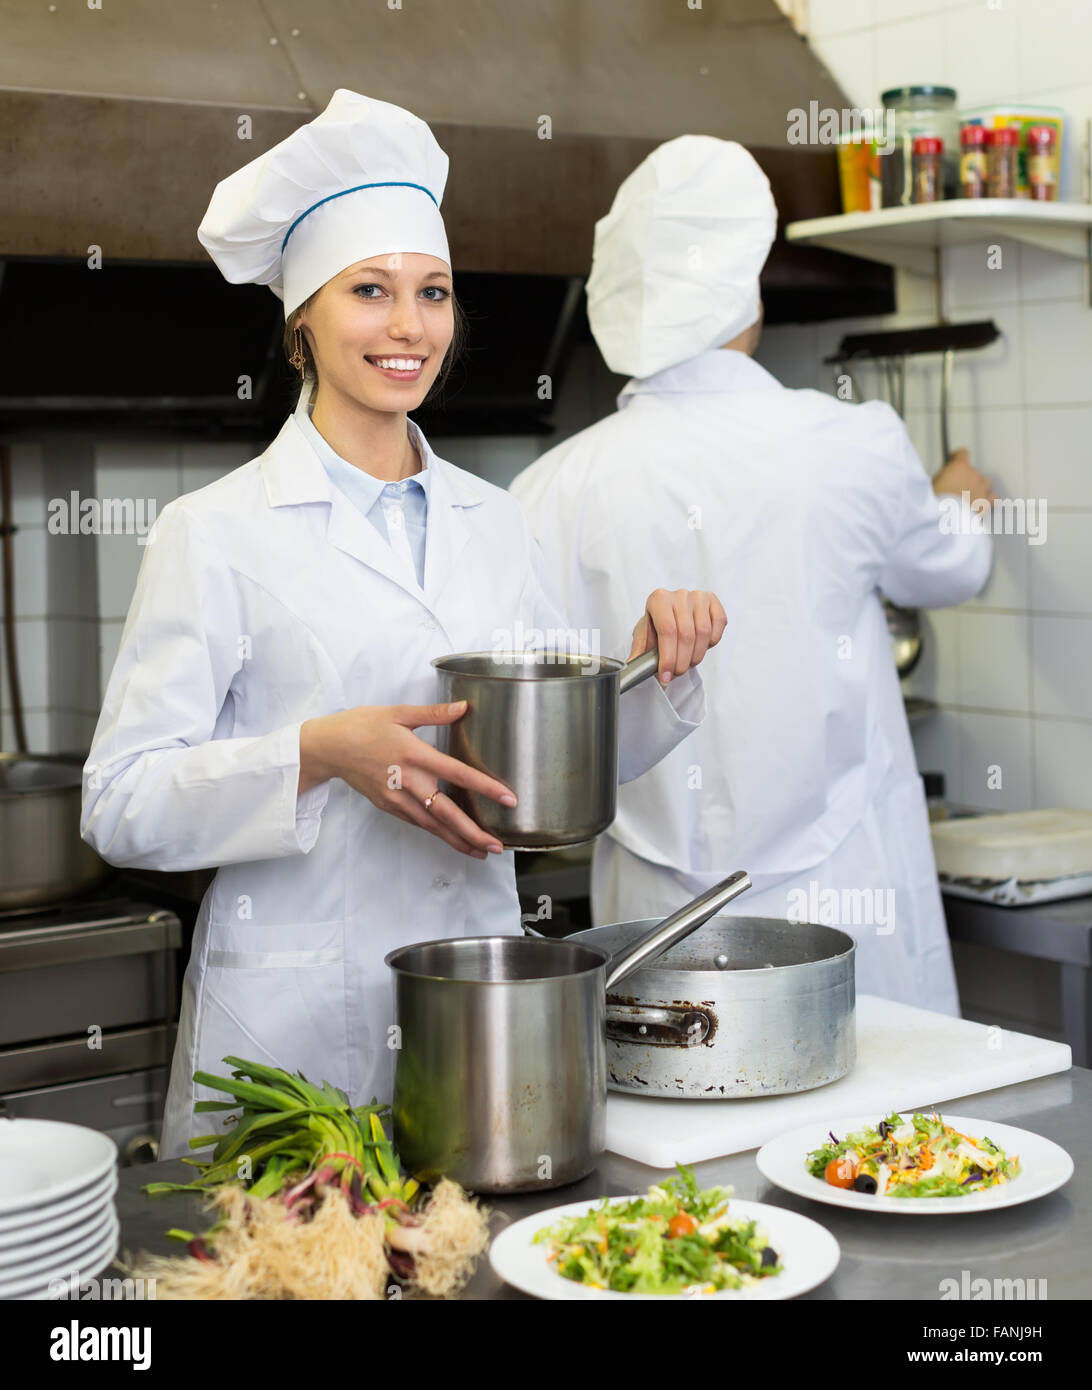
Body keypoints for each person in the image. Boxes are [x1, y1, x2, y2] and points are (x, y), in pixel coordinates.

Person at [81, 94, 726, 1158]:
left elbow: (555, 770)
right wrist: (317, 753)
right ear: (303, 322)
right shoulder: (215, 532)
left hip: (471, 1017)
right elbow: (119, 803)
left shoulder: (496, 520)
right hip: (284, 1036)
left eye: (431, 293)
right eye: (369, 291)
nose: (408, 326)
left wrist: (664, 664)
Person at [510, 135, 993, 1016]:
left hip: (658, 930)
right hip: (849, 908)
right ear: (748, 285)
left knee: (679, 1148)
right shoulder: (851, 443)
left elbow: (548, 722)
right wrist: (958, 502)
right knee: (886, 1144)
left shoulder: (549, 488)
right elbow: (949, 569)